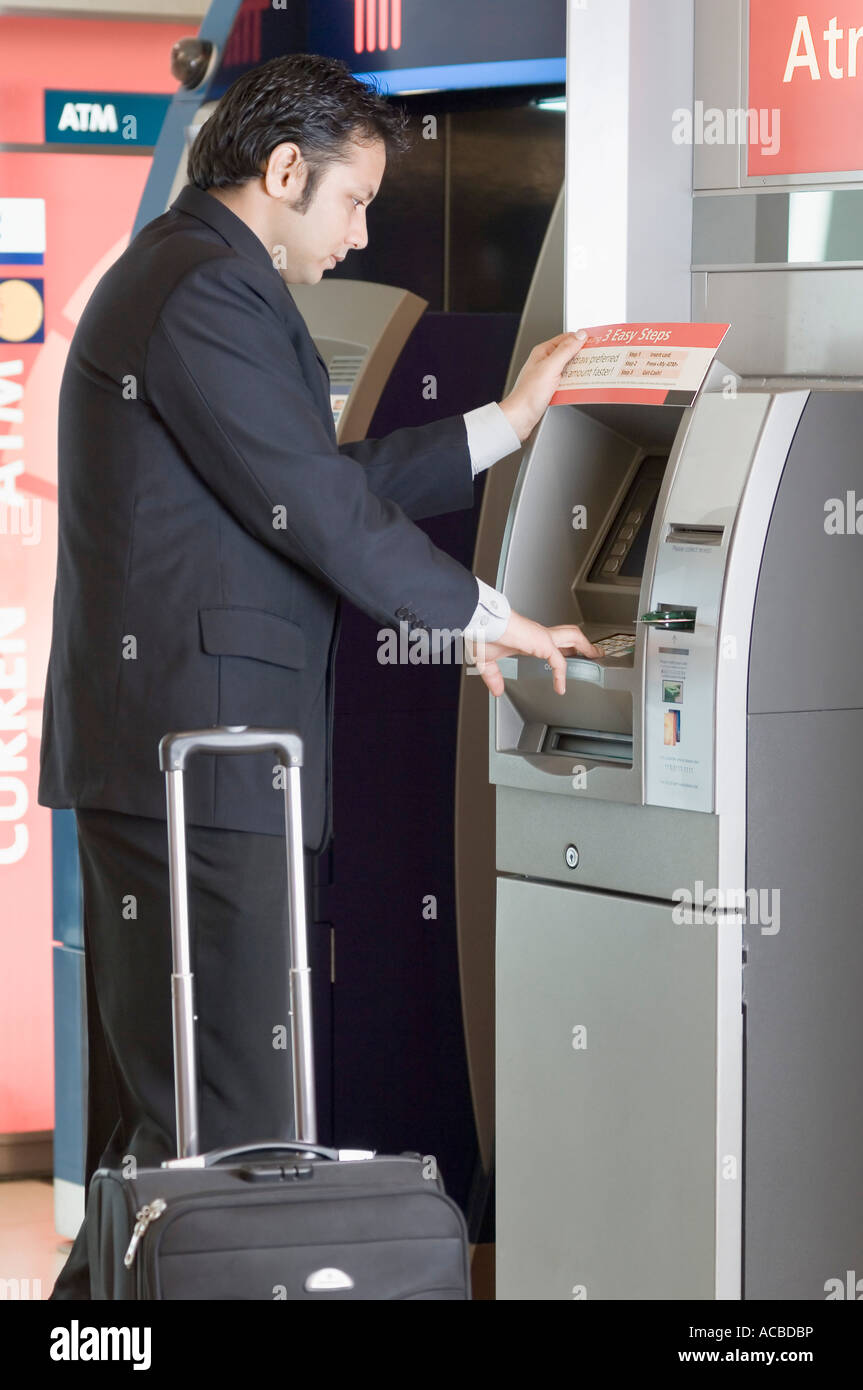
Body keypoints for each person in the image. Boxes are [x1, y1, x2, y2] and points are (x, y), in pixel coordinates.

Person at [38, 52, 597, 1298]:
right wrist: (482, 618)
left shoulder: (202, 280)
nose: (357, 235)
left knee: (171, 1124)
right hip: (206, 761)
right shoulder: (201, 292)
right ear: (283, 171)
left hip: (198, 759)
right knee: (226, 1120)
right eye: (351, 202)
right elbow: (314, 507)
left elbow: (315, 487)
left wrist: (504, 423)